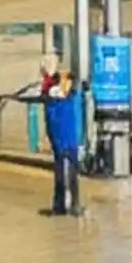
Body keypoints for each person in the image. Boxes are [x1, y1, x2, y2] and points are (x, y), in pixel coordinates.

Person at [40, 56, 82, 217]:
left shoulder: (56, 84)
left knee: (65, 166)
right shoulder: (57, 84)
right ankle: (68, 204)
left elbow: (52, 102)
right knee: (68, 165)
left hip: (62, 130)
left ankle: (65, 204)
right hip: (65, 131)